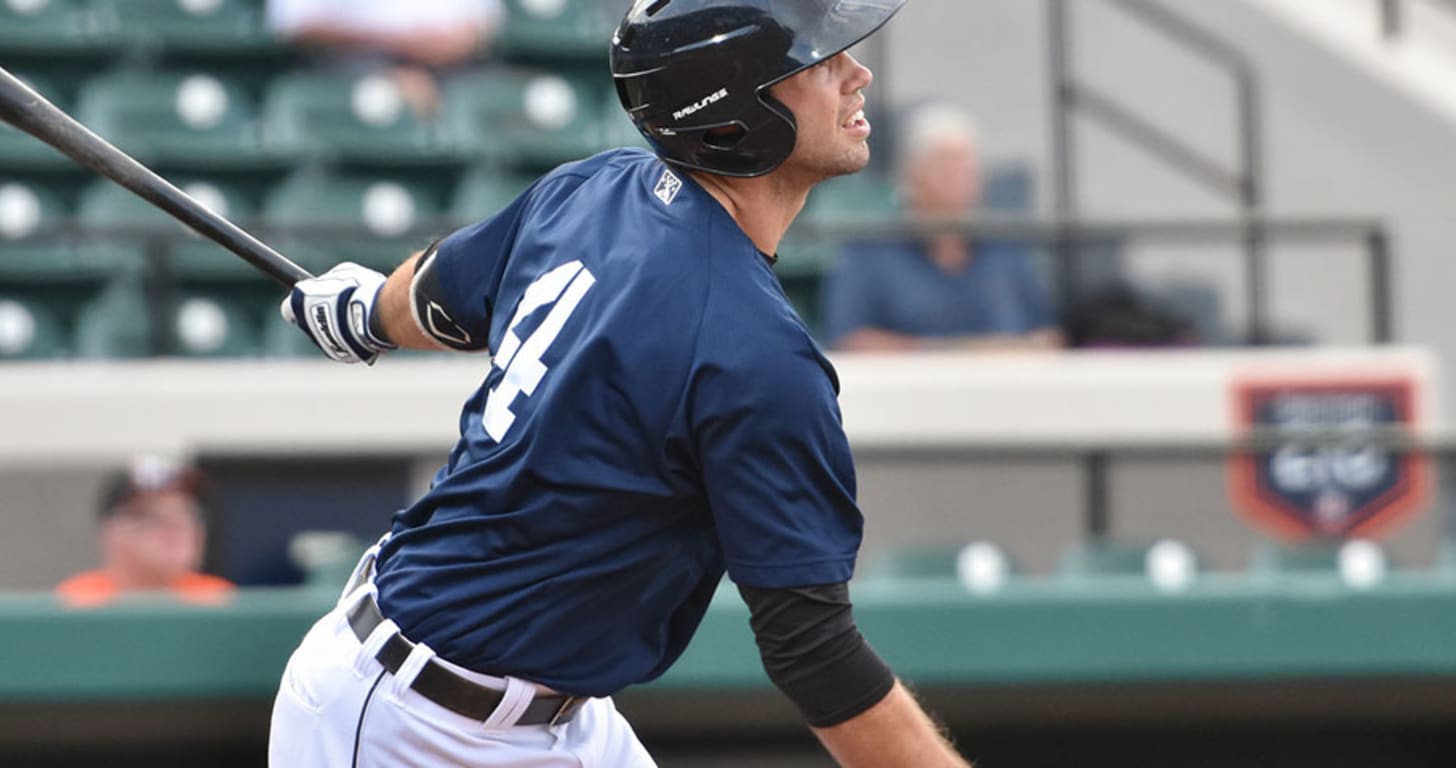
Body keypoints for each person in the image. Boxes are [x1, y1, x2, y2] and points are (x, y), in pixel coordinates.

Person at [269, 2, 970, 767]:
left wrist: (366, 312)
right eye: (822, 62)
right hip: (417, 720)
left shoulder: (594, 189)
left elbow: (433, 296)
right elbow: (816, 655)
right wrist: (371, 310)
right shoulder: (757, 355)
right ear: (732, 113)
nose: (857, 75)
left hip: (548, 712)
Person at [822, 105, 1062, 352]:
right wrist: (956, 353)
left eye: (966, 165)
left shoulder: (1008, 247)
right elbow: (849, 341)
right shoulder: (869, 250)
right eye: (944, 164)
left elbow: (1048, 336)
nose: (957, 176)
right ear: (911, 175)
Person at [266, 0, 504, 117]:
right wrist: (395, 43)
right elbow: (297, 25)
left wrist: (439, 46)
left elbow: (479, 27)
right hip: (348, 63)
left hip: (453, 66)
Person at [55, 456, 234, 608]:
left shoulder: (218, 601)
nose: (178, 527)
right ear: (112, 531)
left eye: (187, 513)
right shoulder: (76, 603)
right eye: (153, 515)